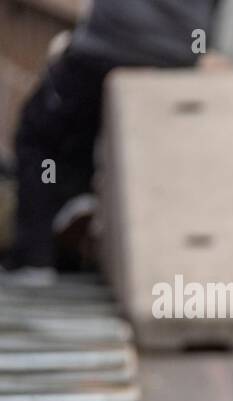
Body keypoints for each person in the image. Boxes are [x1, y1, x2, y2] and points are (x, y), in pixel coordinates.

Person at [1, 0, 220, 287]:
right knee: (85, 130)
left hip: (111, 44)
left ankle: (34, 258)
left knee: (39, 134)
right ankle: (81, 206)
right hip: (180, 52)